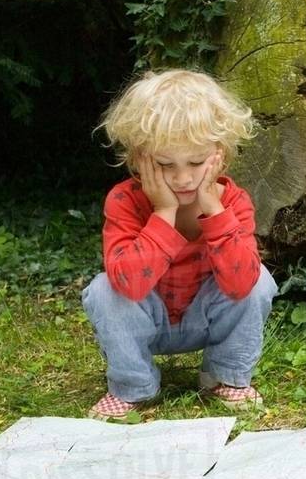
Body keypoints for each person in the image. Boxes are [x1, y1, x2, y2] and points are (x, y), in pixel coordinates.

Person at [81, 69, 277, 419]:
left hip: (207, 315)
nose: (183, 178)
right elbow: (128, 282)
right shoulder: (125, 201)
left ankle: (225, 376)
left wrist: (214, 211)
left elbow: (242, 282)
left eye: (196, 162)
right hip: (147, 317)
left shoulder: (233, 201)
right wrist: (164, 211)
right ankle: (133, 385)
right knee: (103, 290)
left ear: (221, 154)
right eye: (165, 165)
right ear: (139, 158)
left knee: (258, 278)